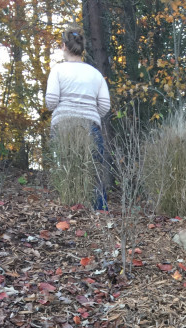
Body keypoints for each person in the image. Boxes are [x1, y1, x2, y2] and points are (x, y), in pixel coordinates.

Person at [45, 25, 110, 209]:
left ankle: (67, 211)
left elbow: (51, 101)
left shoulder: (58, 71)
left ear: (64, 46)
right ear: (82, 48)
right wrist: (90, 113)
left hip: (63, 126)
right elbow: (105, 105)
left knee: (64, 170)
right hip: (89, 126)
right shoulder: (95, 74)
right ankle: (99, 214)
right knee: (94, 171)